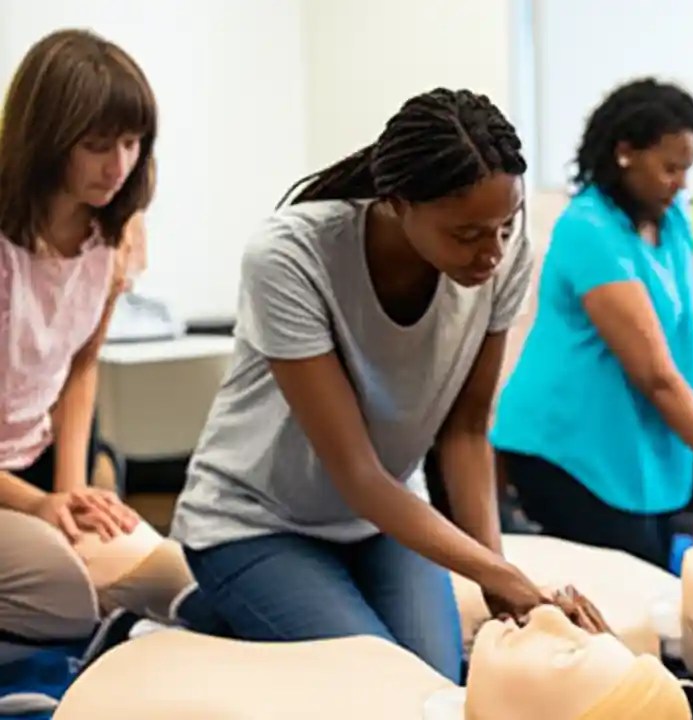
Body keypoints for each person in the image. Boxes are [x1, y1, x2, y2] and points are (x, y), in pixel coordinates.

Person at [169, 89, 593, 682]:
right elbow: (357, 473)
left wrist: (495, 576)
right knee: (391, 691)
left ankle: (231, 615)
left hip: (383, 517)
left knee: (437, 686)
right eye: (467, 233)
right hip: (255, 521)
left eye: (506, 226)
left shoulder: (502, 255)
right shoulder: (290, 256)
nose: (492, 252)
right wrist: (503, 577)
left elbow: (466, 432)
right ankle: (212, 610)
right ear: (396, 202)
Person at [491, 79, 693, 570]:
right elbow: (656, 375)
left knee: (659, 578)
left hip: (639, 451)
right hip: (569, 449)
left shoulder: (674, 222)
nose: (681, 183)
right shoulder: (588, 229)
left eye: (687, 169)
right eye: (670, 168)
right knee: (628, 586)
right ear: (625, 153)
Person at [0, 29, 204, 648]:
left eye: (131, 143)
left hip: (35, 462)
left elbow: (81, 363)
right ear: (46, 139)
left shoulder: (115, 235)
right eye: (96, 147)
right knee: (62, 592)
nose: (118, 166)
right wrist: (36, 507)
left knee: (187, 585)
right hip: (10, 488)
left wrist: (70, 492)